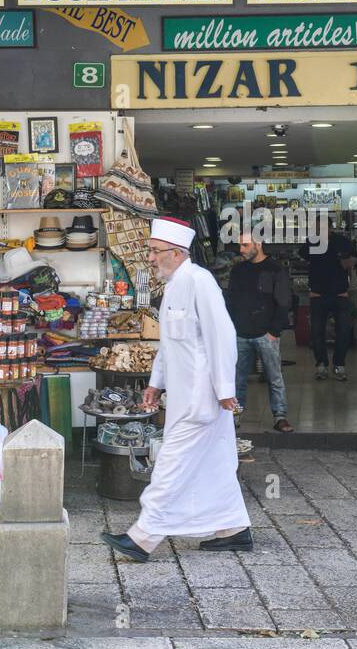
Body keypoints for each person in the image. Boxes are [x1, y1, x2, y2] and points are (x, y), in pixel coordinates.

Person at [101, 216, 253, 562]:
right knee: (215, 461)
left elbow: (222, 336)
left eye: (155, 252)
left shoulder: (201, 282)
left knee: (171, 462)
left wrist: (225, 388)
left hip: (203, 397)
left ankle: (142, 538)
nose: (150, 259)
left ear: (177, 252)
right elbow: (170, 345)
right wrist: (156, 382)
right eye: (150, 252)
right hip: (183, 395)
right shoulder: (172, 287)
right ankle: (234, 529)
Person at [225, 230, 294, 433]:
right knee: (237, 379)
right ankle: (234, 418)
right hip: (240, 333)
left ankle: (280, 416)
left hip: (266, 334)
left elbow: (284, 302)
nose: (241, 249)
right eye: (240, 245)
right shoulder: (237, 271)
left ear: (259, 244)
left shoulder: (275, 269)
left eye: (245, 245)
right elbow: (230, 300)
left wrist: (274, 331)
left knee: (275, 377)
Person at [301, 222, 357, 381]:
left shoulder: (342, 242)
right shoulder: (312, 242)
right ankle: (321, 365)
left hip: (340, 293)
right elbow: (302, 255)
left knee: (343, 331)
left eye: (323, 228)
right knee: (316, 332)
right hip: (317, 293)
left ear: (330, 228)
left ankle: (339, 365)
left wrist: (352, 261)